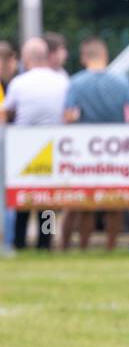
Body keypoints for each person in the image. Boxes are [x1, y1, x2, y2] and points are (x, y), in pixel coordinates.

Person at [61, 37, 129, 251]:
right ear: (104, 55)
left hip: (85, 150)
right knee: (114, 203)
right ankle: (110, 247)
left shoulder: (76, 82)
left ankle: (82, 246)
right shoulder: (121, 81)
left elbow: (68, 116)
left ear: (84, 57)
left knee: (85, 203)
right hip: (115, 148)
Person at [5, 38, 69, 251]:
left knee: (23, 198)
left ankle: (19, 242)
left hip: (24, 148)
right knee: (49, 201)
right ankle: (46, 241)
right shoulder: (63, 81)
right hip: (56, 148)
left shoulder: (19, 83)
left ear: (26, 58)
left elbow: (6, 112)